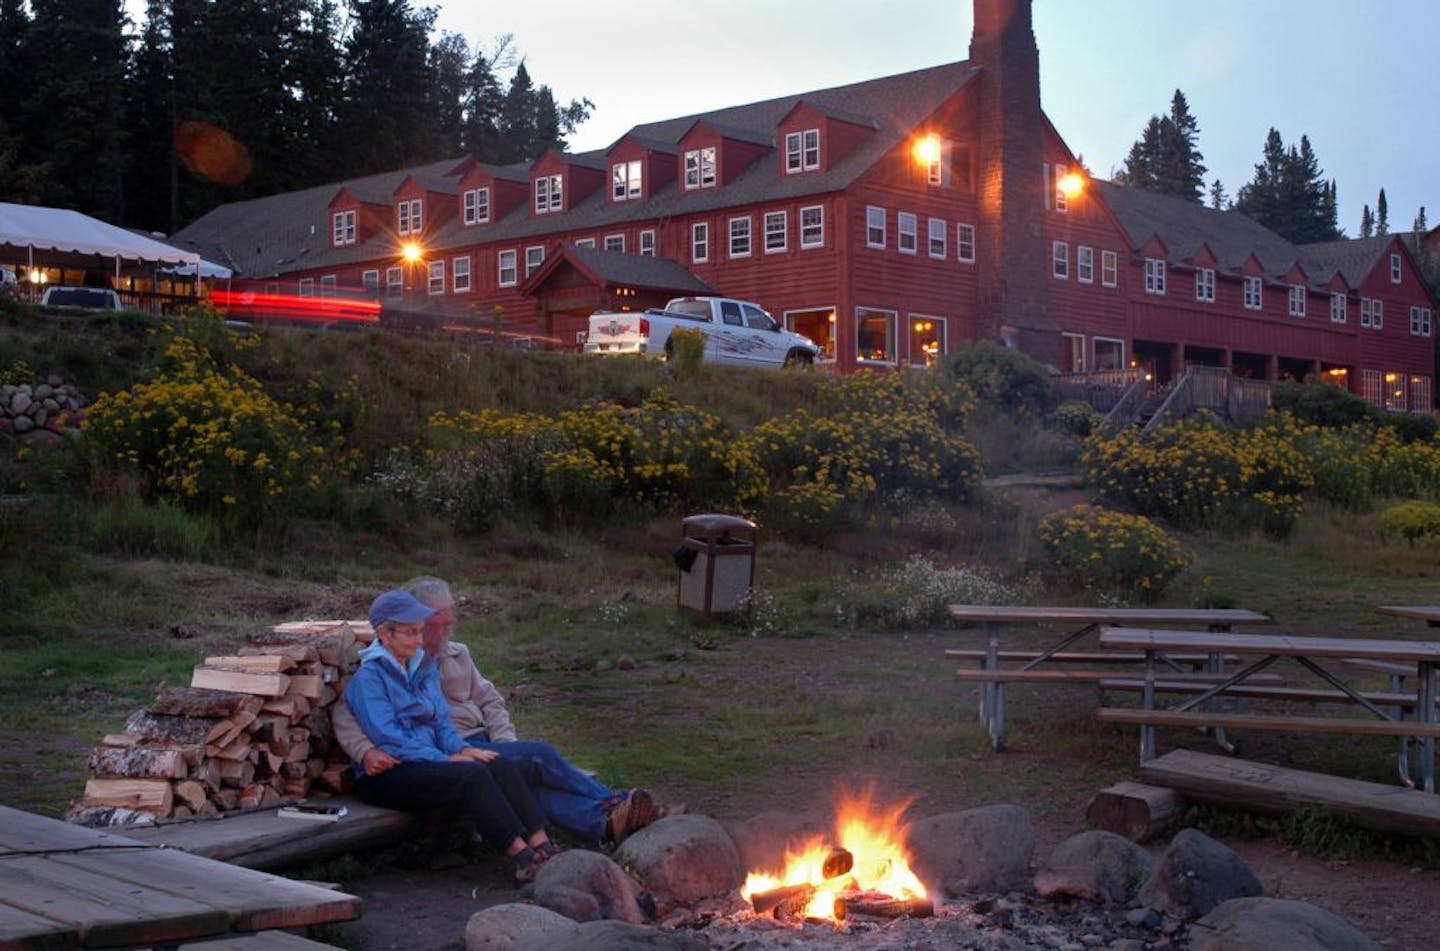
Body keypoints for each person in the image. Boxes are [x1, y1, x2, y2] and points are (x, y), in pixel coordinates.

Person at [334, 577, 668, 845]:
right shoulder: (385, 667)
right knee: (537, 756)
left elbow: (490, 700)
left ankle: (608, 822)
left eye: (449, 621)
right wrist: (365, 751)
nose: (444, 629)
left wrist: (506, 741)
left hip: (477, 743)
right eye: (436, 623)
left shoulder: (457, 655)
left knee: (523, 770)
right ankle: (617, 804)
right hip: (445, 754)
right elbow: (346, 714)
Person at [345, 588, 558, 882]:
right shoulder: (369, 680)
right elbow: (391, 739)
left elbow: (441, 721)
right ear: (384, 634)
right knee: (471, 775)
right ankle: (524, 859)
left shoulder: (422, 668)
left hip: (426, 761)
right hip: (388, 774)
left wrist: (459, 747)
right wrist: (447, 758)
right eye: (410, 633)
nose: (419, 640)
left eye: (420, 632)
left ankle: (544, 845)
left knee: (497, 761)